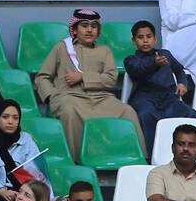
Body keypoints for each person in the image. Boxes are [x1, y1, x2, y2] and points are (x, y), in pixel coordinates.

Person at [34, 9, 146, 163]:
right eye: (84, 25)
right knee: (69, 111)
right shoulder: (62, 48)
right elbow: (42, 77)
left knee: (128, 111)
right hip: (70, 97)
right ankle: (75, 162)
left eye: (94, 26)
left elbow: (111, 79)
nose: (89, 30)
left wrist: (83, 77)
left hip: (101, 99)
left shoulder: (105, 51)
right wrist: (52, 96)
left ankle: (139, 159)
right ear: (75, 29)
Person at [124, 21, 196, 149]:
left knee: (191, 114)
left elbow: (180, 71)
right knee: (146, 115)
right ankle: (152, 158)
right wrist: (154, 64)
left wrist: (182, 83)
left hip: (169, 99)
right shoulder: (131, 60)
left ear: (155, 39)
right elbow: (138, 69)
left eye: (149, 36)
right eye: (140, 37)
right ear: (133, 41)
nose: (145, 41)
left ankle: (189, 155)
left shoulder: (165, 54)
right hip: (145, 99)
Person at [0, 100, 52, 201]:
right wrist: (1, 190)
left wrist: (23, 193)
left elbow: (34, 169)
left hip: (23, 194)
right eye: (5, 117)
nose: (10, 122)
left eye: (15, 118)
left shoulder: (26, 139)